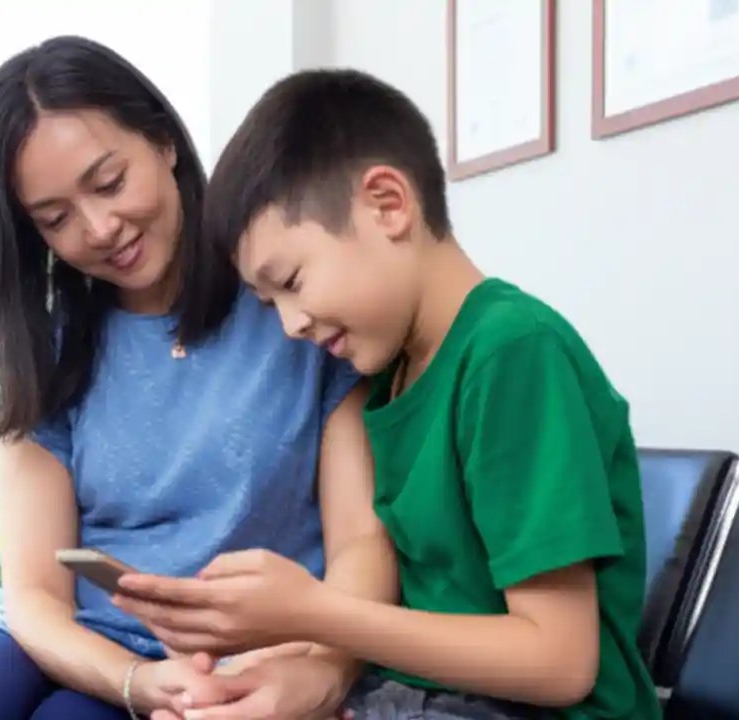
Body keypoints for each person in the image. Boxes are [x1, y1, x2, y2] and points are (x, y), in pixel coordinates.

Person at [0, 38, 396, 720]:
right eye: (56, 219)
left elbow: (362, 543)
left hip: (258, 658)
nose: (100, 229)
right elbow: (35, 597)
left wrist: (326, 668)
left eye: (109, 182)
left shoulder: (295, 300)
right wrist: (135, 680)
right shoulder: (50, 348)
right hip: (90, 650)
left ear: (163, 141)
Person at [114, 68, 664, 720]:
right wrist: (295, 649)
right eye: (269, 304)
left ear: (388, 204)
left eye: (290, 281)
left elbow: (559, 662)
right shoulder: (390, 378)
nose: (291, 325)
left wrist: (319, 612)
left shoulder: (512, 352)